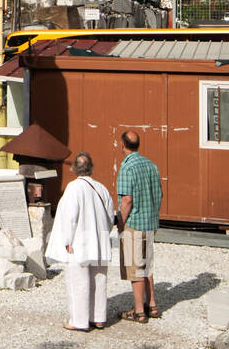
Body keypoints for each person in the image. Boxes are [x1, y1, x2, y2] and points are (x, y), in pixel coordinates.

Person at [46, 151, 115, 332]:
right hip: (99, 241)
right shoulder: (102, 189)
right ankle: (99, 318)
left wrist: (67, 240)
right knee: (99, 280)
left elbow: (71, 217)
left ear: (74, 168)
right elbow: (110, 217)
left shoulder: (73, 188)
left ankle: (79, 320)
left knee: (79, 282)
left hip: (81, 241)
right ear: (91, 167)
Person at [116, 129, 163, 323]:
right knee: (147, 266)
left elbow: (127, 199)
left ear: (122, 145)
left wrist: (121, 222)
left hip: (134, 222)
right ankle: (152, 305)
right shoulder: (152, 165)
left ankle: (138, 311)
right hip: (150, 222)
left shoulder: (127, 167)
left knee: (135, 269)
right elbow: (159, 195)